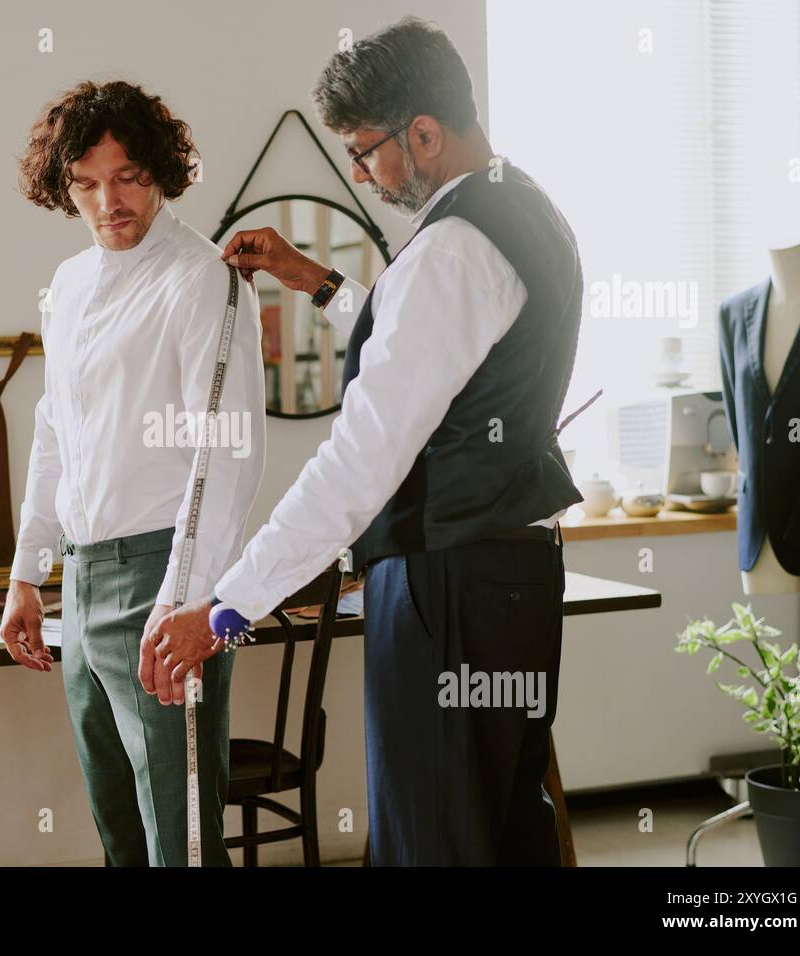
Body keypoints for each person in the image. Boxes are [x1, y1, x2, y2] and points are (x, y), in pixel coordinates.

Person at [140, 17, 584, 865]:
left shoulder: (449, 248)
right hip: (513, 576)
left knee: (434, 843)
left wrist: (227, 610)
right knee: (505, 828)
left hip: (444, 583)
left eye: (365, 150)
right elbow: (441, 355)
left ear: (424, 132)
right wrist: (318, 281)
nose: (361, 173)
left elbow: (358, 465)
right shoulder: (526, 208)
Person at [2, 80, 266, 866]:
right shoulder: (71, 286)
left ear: (160, 170)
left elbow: (228, 456)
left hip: (162, 575)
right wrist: (28, 572)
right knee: (119, 831)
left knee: (179, 842)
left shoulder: (201, 280)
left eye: (126, 177)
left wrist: (186, 599)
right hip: (80, 585)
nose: (107, 201)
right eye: (85, 184)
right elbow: (55, 430)